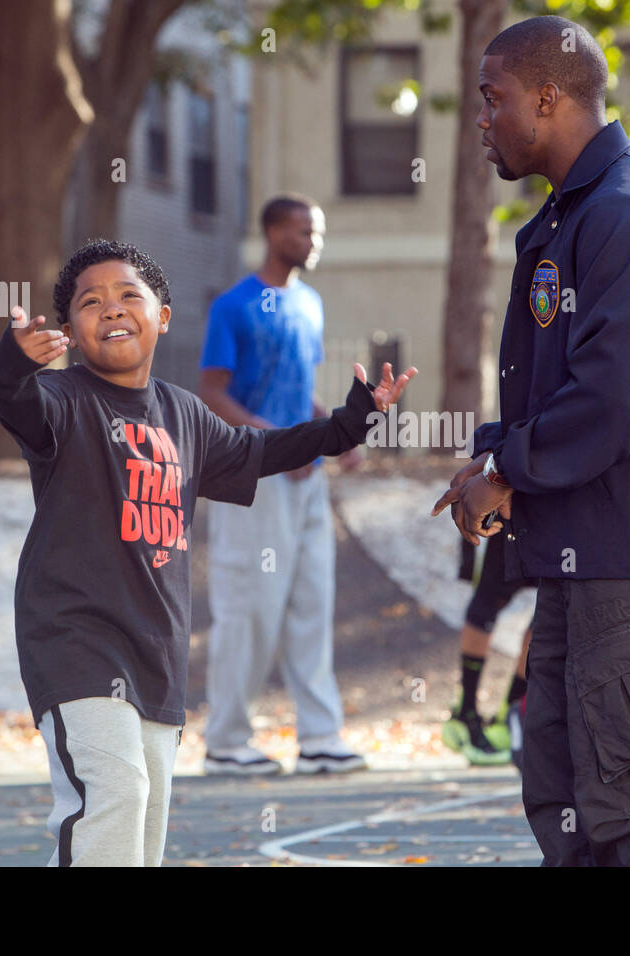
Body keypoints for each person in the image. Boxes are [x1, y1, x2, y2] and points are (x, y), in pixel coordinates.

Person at [433, 16, 630, 867]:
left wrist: (506, 467)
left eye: (493, 99)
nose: (482, 119)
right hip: (585, 550)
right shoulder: (566, 218)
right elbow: (550, 384)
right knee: (564, 792)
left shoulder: (629, 214)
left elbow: (607, 402)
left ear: (548, 98)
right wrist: (494, 453)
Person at [0, 239, 414, 865]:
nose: (111, 309)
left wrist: (347, 425)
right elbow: (13, 400)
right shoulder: (62, 402)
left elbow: (262, 452)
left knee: (140, 826)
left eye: (129, 295)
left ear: (162, 315)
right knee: (115, 795)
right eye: (91, 302)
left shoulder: (184, 414)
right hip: (74, 641)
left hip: (156, 650)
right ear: (72, 332)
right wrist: (11, 362)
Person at [198, 194, 367, 775]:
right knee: (249, 605)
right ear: (272, 232)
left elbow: (299, 389)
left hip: (308, 478)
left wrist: (334, 436)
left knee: (311, 603)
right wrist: (279, 442)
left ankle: (320, 737)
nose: (312, 242)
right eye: (302, 231)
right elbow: (213, 393)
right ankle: (225, 742)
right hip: (253, 476)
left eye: (317, 232)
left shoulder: (310, 304)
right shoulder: (233, 306)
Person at [445, 533, 534, 766]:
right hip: (517, 509)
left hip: (565, 513)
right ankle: (465, 714)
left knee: (552, 607)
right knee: (489, 601)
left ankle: (510, 716)